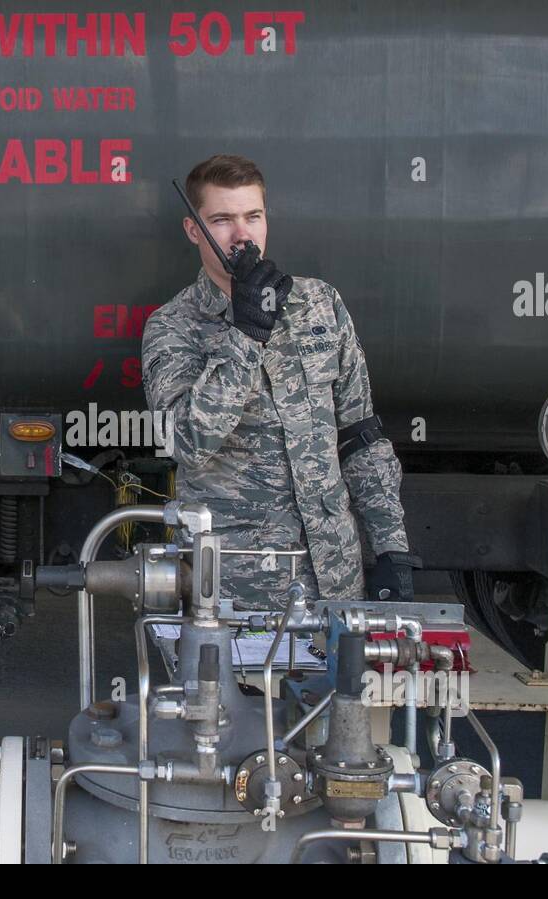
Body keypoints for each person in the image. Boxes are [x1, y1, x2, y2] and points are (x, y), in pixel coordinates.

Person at [141, 154, 418, 609]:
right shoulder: (173, 326)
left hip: (334, 575)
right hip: (234, 584)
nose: (242, 235)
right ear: (194, 229)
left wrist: (392, 546)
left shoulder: (319, 303)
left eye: (253, 216)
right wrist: (246, 335)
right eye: (223, 220)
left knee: (337, 682)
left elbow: (360, 436)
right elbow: (188, 441)